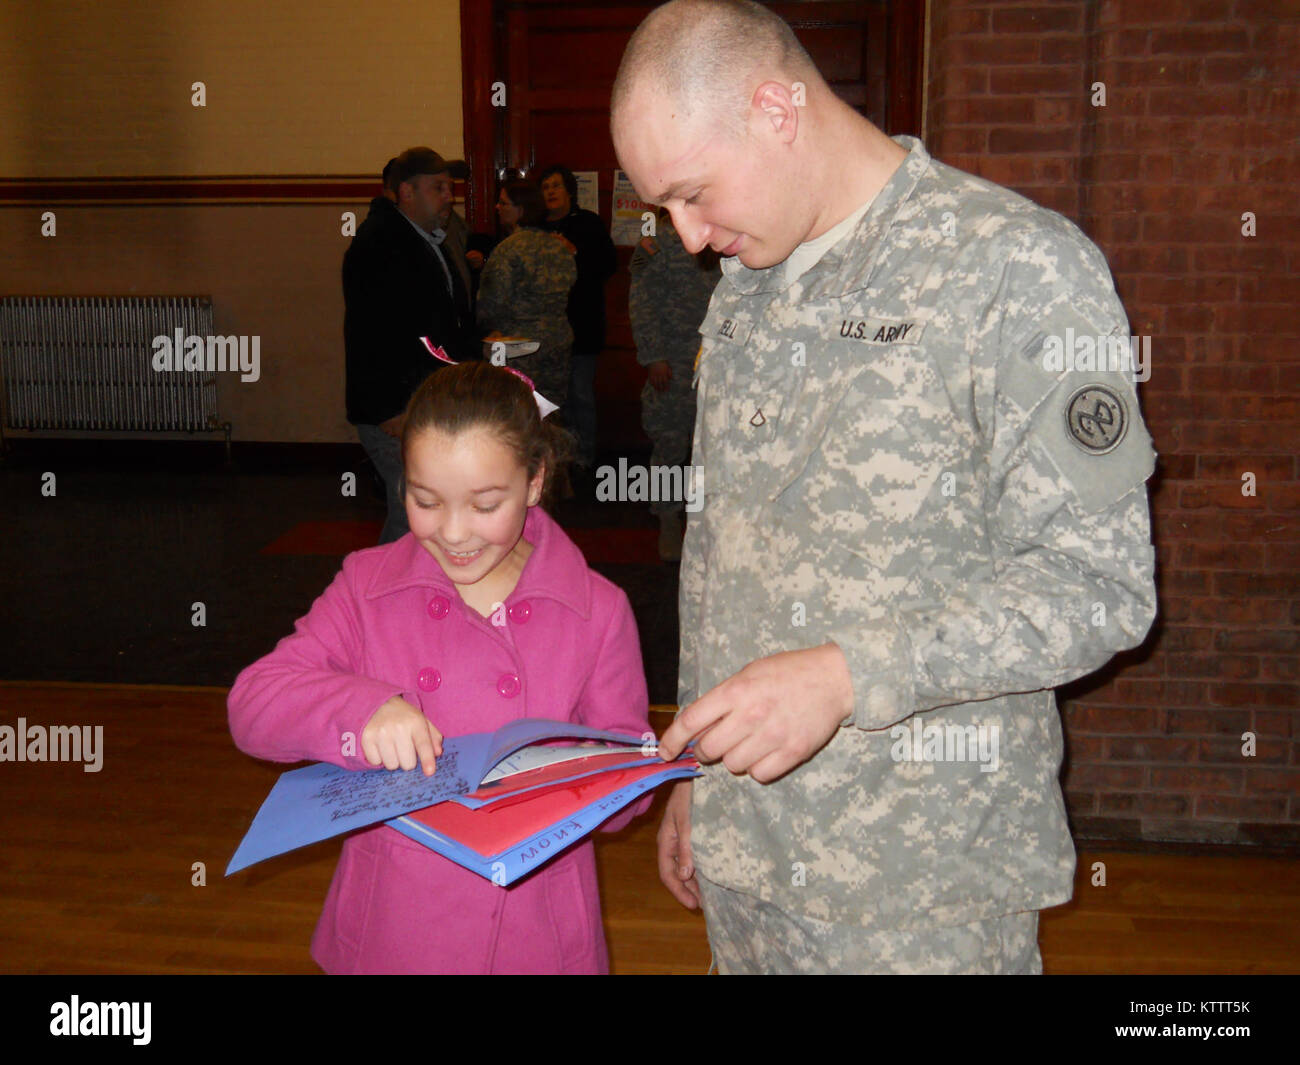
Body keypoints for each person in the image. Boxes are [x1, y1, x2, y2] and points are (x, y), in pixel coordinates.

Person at [611, 0, 1157, 974]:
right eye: (664, 208)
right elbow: (721, 550)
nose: (686, 238)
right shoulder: (747, 283)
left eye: (692, 193)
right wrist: (698, 768)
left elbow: (1100, 589)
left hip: (918, 887)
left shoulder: (1019, 268)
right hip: (751, 850)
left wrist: (847, 675)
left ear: (777, 108)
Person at [228, 361, 653, 974]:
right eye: (425, 501)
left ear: (535, 481)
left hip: (535, 933)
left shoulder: (599, 611)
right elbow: (253, 703)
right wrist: (360, 709)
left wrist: (610, 778)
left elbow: (625, 786)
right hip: (395, 930)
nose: (454, 533)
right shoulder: (367, 587)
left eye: (485, 505)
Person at [344, 147, 477, 544]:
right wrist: (391, 408)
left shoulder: (423, 239)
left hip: (423, 400)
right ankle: (385, 599)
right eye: (437, 188)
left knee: (421, 510)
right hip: (397, 409)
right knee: (415, 514)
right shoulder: (380, 244)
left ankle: (408, 597)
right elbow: (373, 333)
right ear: (406, 192)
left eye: (449, 187)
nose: (448, 196)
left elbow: (440, 320)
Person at [628, 209, 720, 560]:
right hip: (674, 360)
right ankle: (667, 518)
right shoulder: (659, 243)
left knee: (711, 447)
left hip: (716, 360)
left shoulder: (723, 235)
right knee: (669, 443)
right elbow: (642, 301)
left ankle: (705, 521)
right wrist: (653, 356)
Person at [539, 165, 617, 468]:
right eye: (546, 187)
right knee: (553, 399)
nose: (551, 192)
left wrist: (574, 252)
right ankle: (560, 460)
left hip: (582, 326)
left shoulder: (589, 224)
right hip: (546, 330)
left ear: (569, 191)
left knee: (581, 395)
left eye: (556, 186)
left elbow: (608, 266)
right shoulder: (537, 226)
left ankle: (585, 457)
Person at [477, 180, 578, 413]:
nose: (497, 207)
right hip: (557, 341)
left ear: (521, 210)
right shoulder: (559, 247)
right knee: (552, 414)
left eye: (504, 203)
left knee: (515, 415)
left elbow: (490, 305)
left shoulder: (507, 250)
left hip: (517, 348)